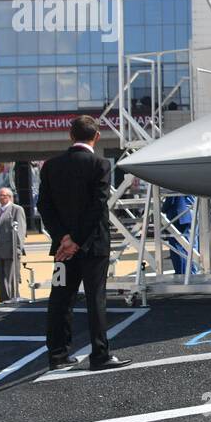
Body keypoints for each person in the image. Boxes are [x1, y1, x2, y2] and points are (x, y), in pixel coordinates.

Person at [38, 115, 129, 371]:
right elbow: (97, 207)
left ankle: (57, 355)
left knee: (59, 298)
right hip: (94, 246)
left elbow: (43, 206)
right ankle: (99, 355)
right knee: (95, 299)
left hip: (62, 250)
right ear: (96, 136)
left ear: (70, 135)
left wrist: (63, 239)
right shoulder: (100, 165)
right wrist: (77, 240)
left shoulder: (50, 166)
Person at [0, 187, 27, 302]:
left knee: (11, 279)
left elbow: (20, 231)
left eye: (4, 195)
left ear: (10, 197)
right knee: (0, 279)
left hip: (11, 249)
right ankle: (3, 300)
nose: (1, 197)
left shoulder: (16, 210)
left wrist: (17, 249)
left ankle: (13, 299)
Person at [163, 193, 196, 275]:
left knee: (178, 247)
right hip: (189, 213)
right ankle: (191, 271)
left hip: (178, 214)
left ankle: (182, 272)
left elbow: (171, 198)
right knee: (190, 246)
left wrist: (162, 209)